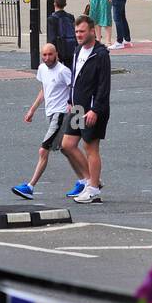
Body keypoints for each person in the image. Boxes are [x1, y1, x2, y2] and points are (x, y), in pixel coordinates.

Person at [12, 43, 89, 200]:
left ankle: (30, 187)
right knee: (66, 148)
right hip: (51, 114)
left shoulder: (63, 71)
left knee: (43, 150)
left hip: (61, 115)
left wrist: (75, 110)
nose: (47, 58)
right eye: (44, 55)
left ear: (56, 54)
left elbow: (76, 89)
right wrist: (32, 110)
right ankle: (86, 180)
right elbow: (44, 90)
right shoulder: (42, 69)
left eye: (50, 55)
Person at [62, 14, 111, 204]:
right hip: (77, 107)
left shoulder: (100, 54)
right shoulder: (77, 50)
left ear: (92, 31)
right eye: (76, 32)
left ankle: (93, 189)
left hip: (91, 109)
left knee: (90, 147)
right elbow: (74, 78)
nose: (78, 35)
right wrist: (69, 99)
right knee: (67, 145)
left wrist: (95, 110)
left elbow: (103, 86)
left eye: (82, 31)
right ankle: (91, 180)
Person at [47, 0, 76, 66]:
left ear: (54, 4)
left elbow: (52, 38)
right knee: (69, 72)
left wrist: (53, 53)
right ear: (65, 4)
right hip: (70, 47)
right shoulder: (71, 17)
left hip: (58, 49)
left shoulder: (51, 19)